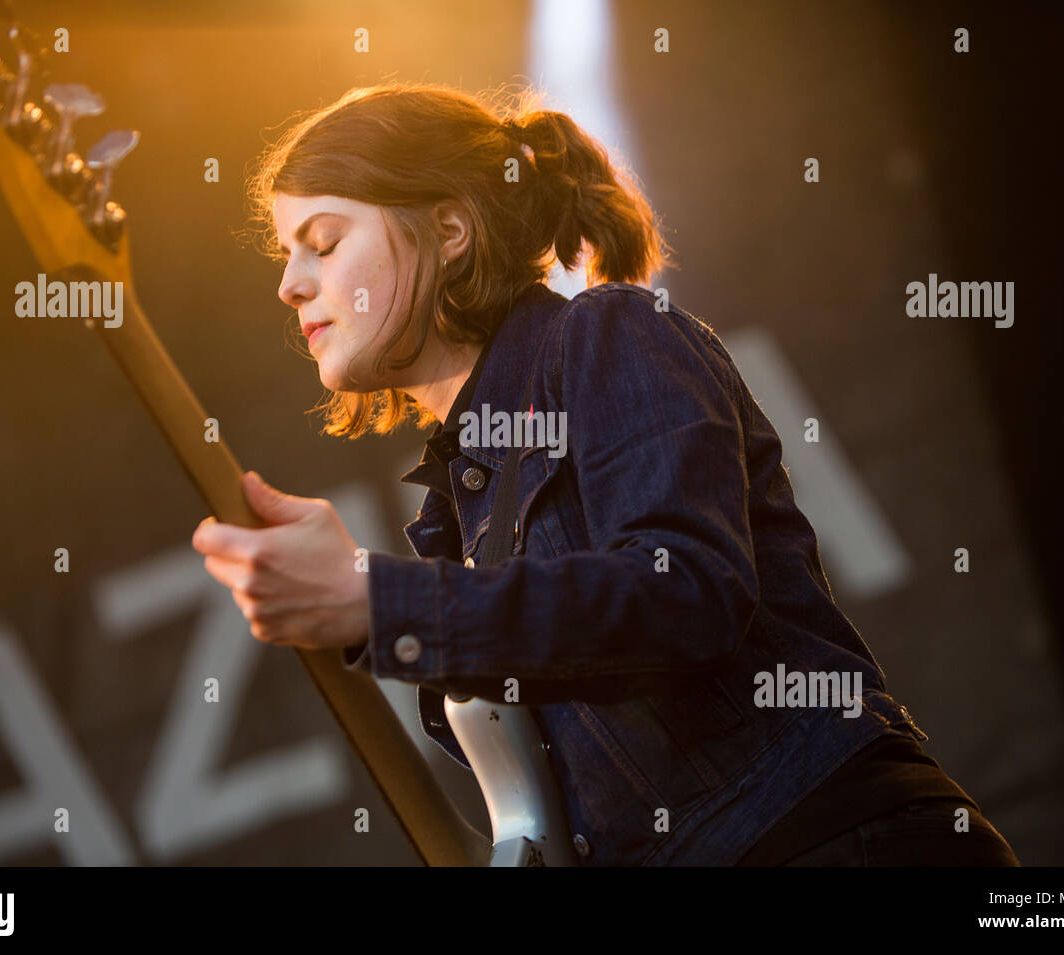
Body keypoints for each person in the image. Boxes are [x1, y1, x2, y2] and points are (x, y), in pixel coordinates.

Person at [191, 81, 1020, 867]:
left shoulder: (608, 333)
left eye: (325, 242)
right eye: (287, 252)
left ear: (449, 231)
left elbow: (686, 594)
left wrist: (377, 600)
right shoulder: (454, 515)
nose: (289, 282)